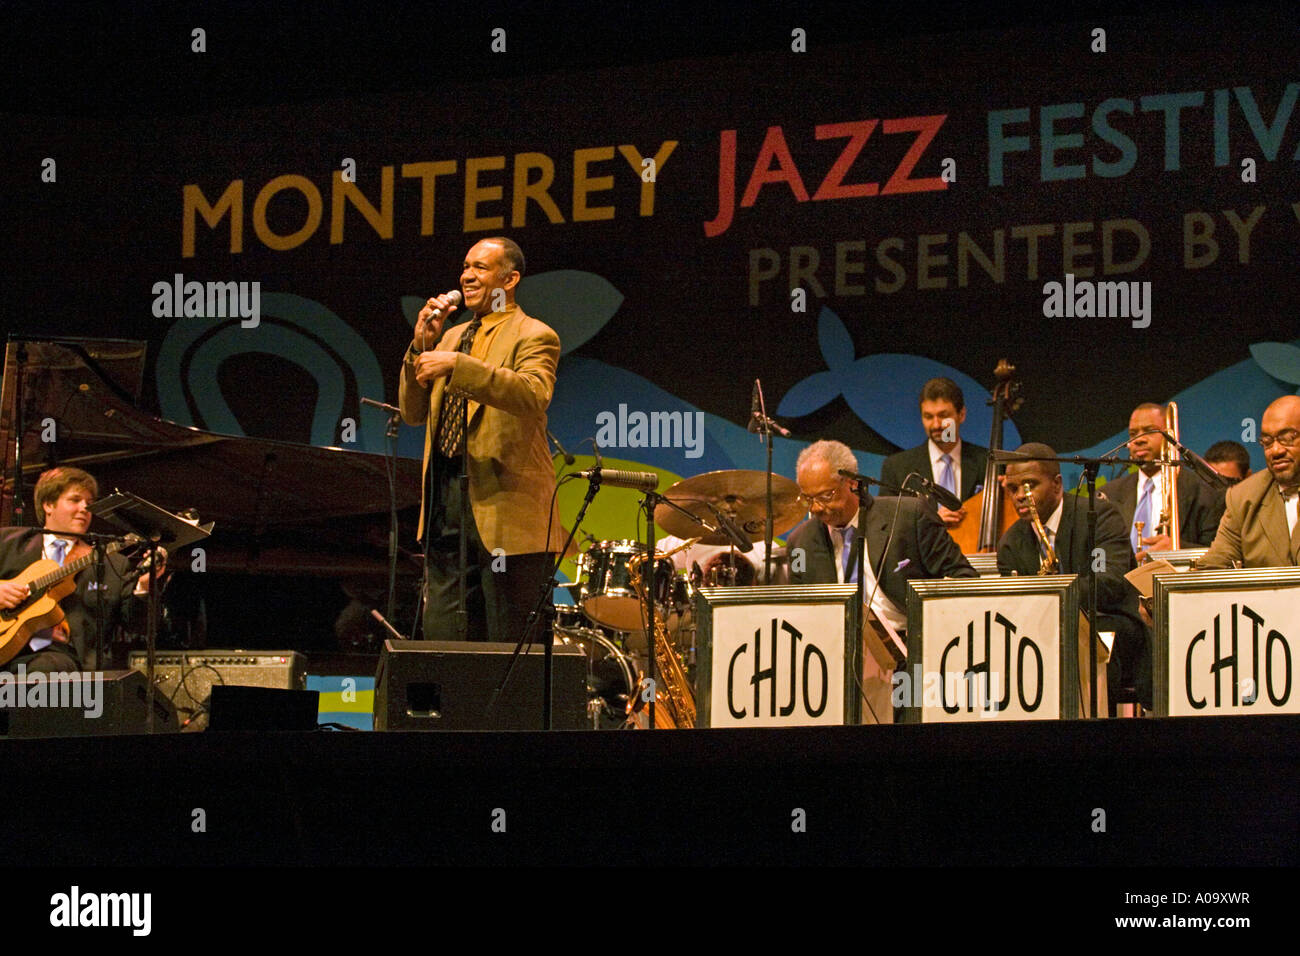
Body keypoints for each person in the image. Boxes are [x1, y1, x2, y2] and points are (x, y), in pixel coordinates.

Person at [399, 237, 565, 643]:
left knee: (507, 640)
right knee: (443, 637)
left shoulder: (535, 334)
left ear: (510, 279)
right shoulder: (451, 337)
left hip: (506, 508)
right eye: (466, 266)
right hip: (446, 502)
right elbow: (412, 413)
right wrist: (421, 344)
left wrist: (459, 365)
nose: (467, 276)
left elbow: (533, 394)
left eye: (481, 268)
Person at [787, 440, 977, 721]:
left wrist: (930, 632)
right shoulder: (800, 542)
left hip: (911, 653)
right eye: (807, 498)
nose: (815, 508)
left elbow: (964, 580)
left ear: (852, 483)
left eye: (825, 496)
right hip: (839, 660)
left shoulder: (909, 516)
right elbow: (800, 613)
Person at [997, 443, 1150, 708]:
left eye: (1030, 485)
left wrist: (1051, 592)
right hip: (1045, 629)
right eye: (1012, 488)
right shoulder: (1011, 541)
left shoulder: (1099, 516)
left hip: (1109, 621)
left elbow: (1110, 582)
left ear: (1057, 484)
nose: (1020, 496)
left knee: (1087, 644)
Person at [0, 467, 162, 673]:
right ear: (48, 505)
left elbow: (139, 627)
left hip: (65, 663)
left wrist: (144, 586)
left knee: (48, 667)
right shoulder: (7, 542)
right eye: (75, 500)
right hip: (6, 646)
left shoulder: (111, 563)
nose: (85, 508)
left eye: (89, 502)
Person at [1103, 402, 1225, 558]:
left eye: (1150, 431)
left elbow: (1221, 556)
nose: (1139, 440)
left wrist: (1178, 550)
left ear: (1172, 435)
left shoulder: (1204, 492)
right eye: (1133, 434)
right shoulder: (1109, 494)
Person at [1196, 396, 1300, 569]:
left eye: (1287, 438)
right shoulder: (1243, 497)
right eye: (1267, 442)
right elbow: (1216, 564)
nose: (1276, 451)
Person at [880, 377, 988, 528]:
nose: (936, 425)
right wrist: (930, 520)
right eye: (928, 417)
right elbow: (885, 524)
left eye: (943, 415)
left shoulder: (987, 462)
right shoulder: (896, 467)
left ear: (961, 415)